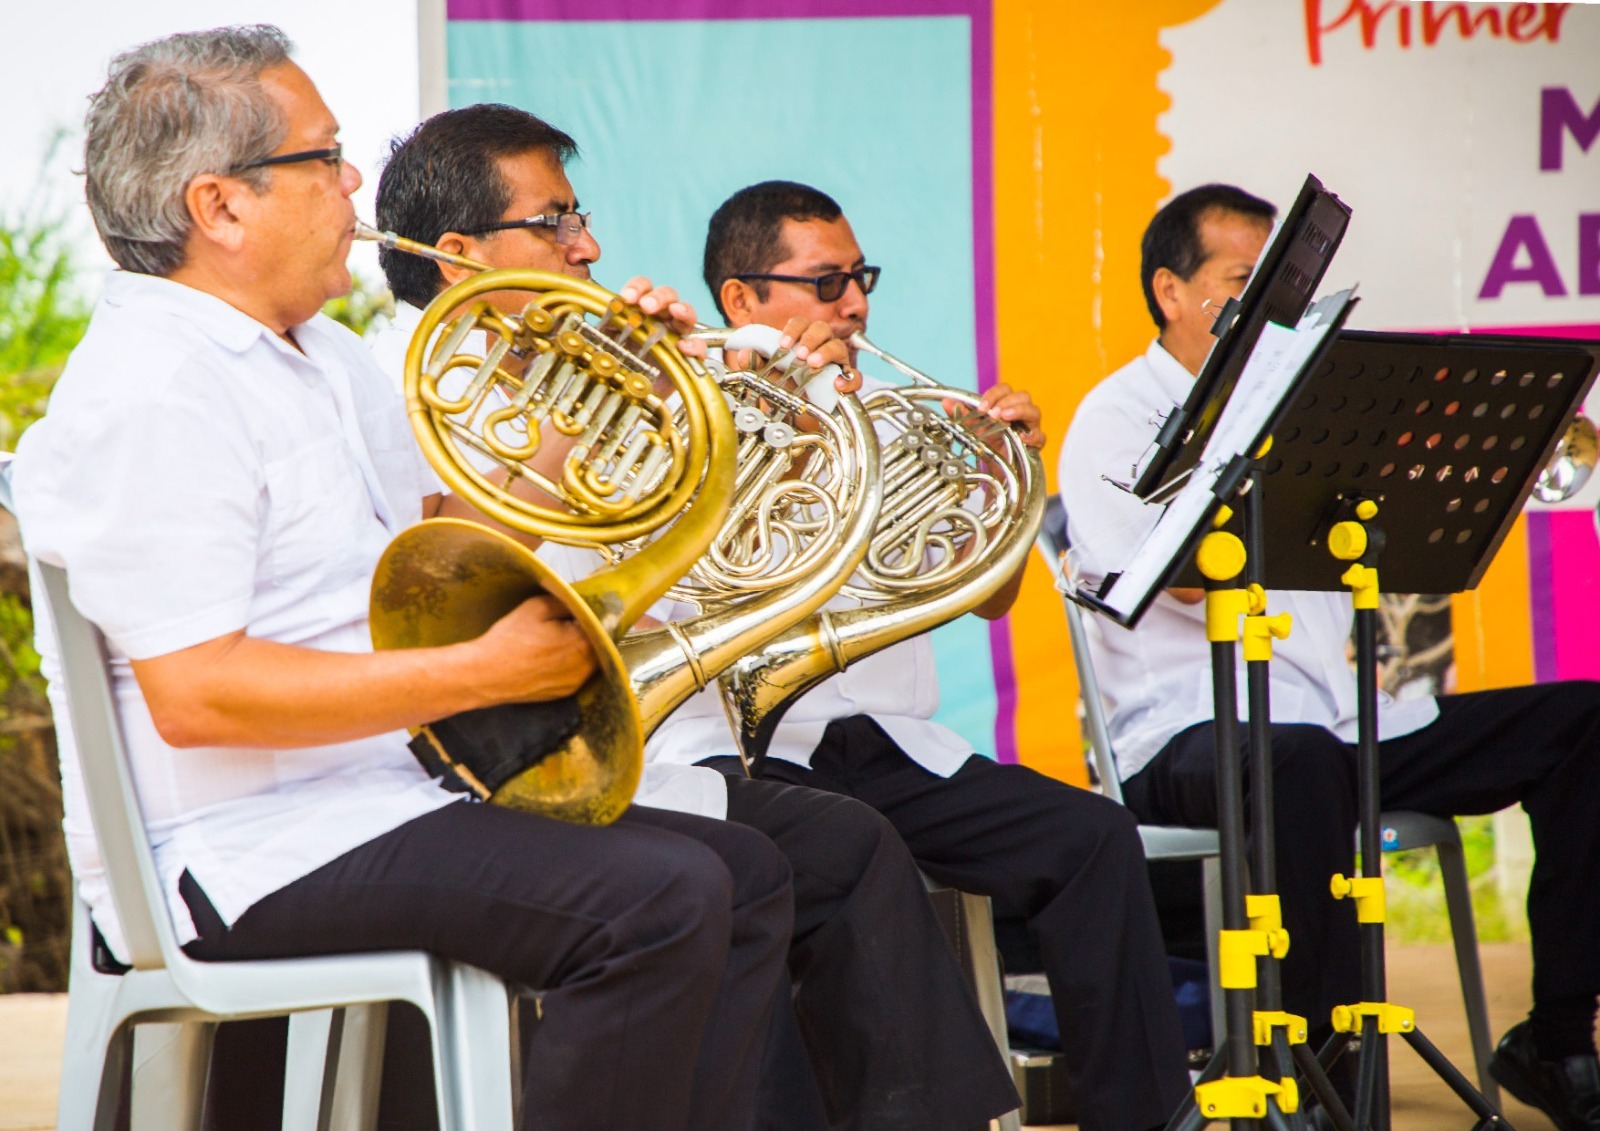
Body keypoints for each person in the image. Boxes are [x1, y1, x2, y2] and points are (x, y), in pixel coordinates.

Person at [12, 28, 796, 1131]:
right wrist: (475, 675)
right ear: (219, 208)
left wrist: (610, 381)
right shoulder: (153, 389)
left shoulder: (319, 356)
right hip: (246, 851)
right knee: (661, 903)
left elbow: (446, 551)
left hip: (374, 800)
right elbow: (198, 697)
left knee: (747, 873)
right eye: (322, 160)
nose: (351, 187)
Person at [371, 105, 1022, 1131]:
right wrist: (591, 403)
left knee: (830, 850)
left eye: (579, 219)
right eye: (553, 223)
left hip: (619, 737)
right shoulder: (402, 381)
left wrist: (745, 400)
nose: (586, 245)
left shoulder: (563, 358)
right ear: (459, 256)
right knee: (810, 858)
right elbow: (434, 585)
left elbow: (735, 552)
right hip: (490, 748)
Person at [629, 178, 1187, 1131]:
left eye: (860, 276)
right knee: (833, 855)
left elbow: (993, 598)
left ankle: (1145, 1115)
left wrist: (1009, 478)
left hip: (891, 743)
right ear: (741, 300)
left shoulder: (888, 416)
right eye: (825, 280)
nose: (854, 303)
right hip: (763, 750)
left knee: (1093, 838)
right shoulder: (689, 415)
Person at [1060, 181, 1600, 1131]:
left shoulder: (1302, 405)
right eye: (1239, 284)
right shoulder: (1116, 417)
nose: (1263, 311)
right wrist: (1254, 438)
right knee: (1296, 759)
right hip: (1184, 731)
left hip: (1344, 719)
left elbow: (1403, 545)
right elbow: (1181, 581)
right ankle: (1323, 1068)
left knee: (1585, 721)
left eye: (1278, 288)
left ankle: (1556, 1036)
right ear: (1169, 292)